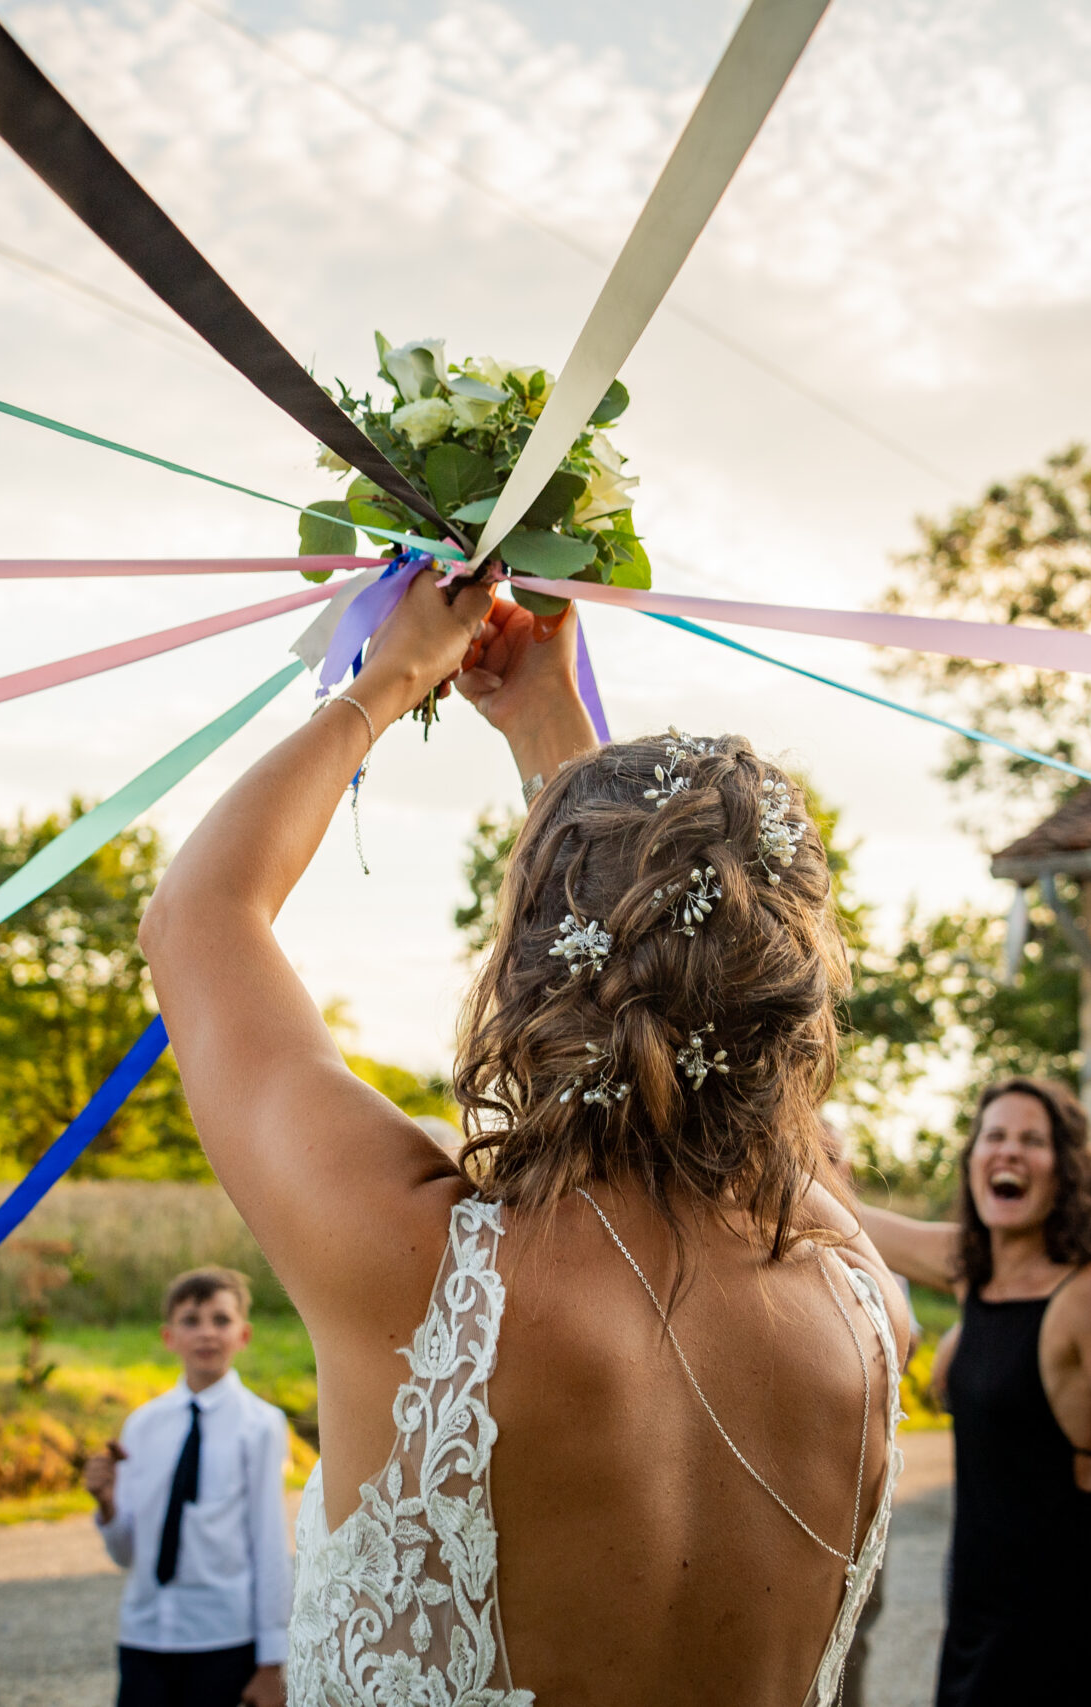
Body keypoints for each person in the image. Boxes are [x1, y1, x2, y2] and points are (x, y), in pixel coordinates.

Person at [140, 574, 910, 1706]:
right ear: (790, 998)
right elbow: (725, 1089)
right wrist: (555, 734)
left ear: (533, 964)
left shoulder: (419, 1266)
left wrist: (391, 673)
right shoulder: (863, 1309)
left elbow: (199, 918)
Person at [855, 1078, 1091, 1707]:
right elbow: (844, 1218)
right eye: (994, 1137)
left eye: (1032, 1140)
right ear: (973, 1162)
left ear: (1067, 1171)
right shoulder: (973, 1272)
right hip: (974, 1622)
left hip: (1064, 1629)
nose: (1008, 1152)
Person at [82, 1267, 292, 1707]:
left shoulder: (260, 1426)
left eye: (221, 1320)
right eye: (191, 1321)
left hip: (223, 1637)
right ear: (168, 1336)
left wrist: (272, 1662)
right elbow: (126, 1553)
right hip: (146, 1634)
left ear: (245, 1335)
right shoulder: (143, 1426)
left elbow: (269, 1541)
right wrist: (106, 1505)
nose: (207, 1334)